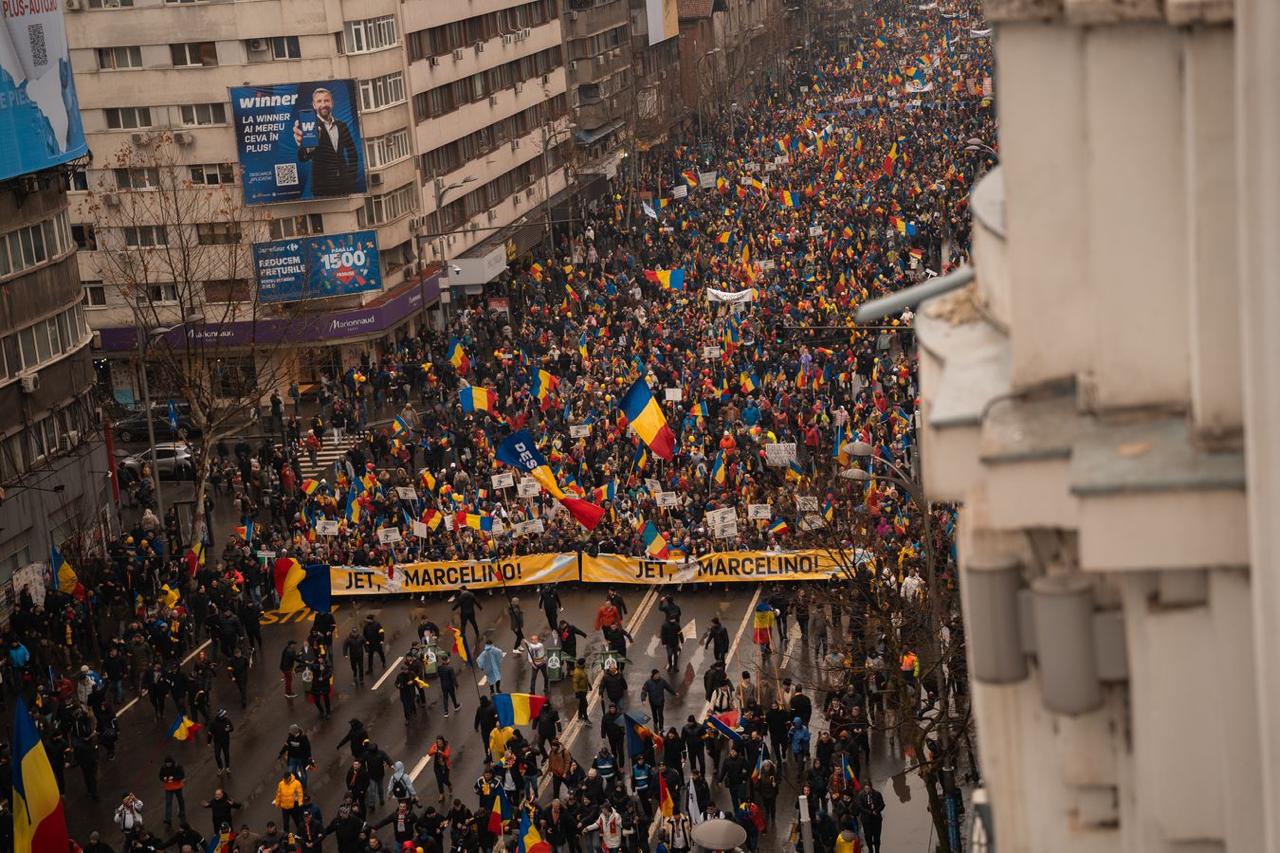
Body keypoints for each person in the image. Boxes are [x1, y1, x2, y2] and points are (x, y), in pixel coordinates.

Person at [293, 86, 360, 197]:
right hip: (322, 187)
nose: (323, 105)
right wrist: (306, 145)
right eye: (319, 101)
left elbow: (352, 153)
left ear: (332, 103)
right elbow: (302, 158)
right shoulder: (309, 127)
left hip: (344, 185)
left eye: (326, 100)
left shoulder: (342, 125)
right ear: (314, 105)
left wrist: (351, 178)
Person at [856, 778, 885, 853]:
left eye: (869, 788)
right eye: (866, 788)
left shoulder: (877, 794)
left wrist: (876, 811)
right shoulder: (860, 795)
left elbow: (882, 804)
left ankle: (877, 850)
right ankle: (870, 850)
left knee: (877, 837)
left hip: (876, 820)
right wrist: (869, 812)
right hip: (866, 820)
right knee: (868, 836)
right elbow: (860, 807)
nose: (867, 790)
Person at [158, 756, 186, 826]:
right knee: (168, 803)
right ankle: (168, 819)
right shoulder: (163, 768)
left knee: (180, 800)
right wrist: (163, 778)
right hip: (168, 788)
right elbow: (160, 776)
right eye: (167, 763)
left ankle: (182, 811)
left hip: (177, 787)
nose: (168, 764)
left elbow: (182, 775)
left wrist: (174, 778)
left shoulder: (177, 767)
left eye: (169, 763)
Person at [427, 735, 452, 802]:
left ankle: (449, 785)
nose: (439, 743)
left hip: (445, 766)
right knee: (439, 780)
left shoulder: (446, 746)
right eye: (438, 742)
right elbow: (429, 753)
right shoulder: (435, 746)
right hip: (437, 766)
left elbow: (447, 755)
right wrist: (434, 751)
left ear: (443, 741)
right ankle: (441, 794)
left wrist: (441, 753)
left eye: (440, 742)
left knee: (445, 780)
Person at [208, 709, 233, 773]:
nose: (227, 716)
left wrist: (229, 729)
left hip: (225, 741)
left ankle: (227, 767)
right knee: (217, 755)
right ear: (222, 716)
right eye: (225, 715)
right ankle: (220, 767)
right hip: (217, 742)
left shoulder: (227, 721)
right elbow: (210, 732)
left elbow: (232, 728)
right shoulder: (214, 723)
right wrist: (209, 742)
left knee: (226, 754)